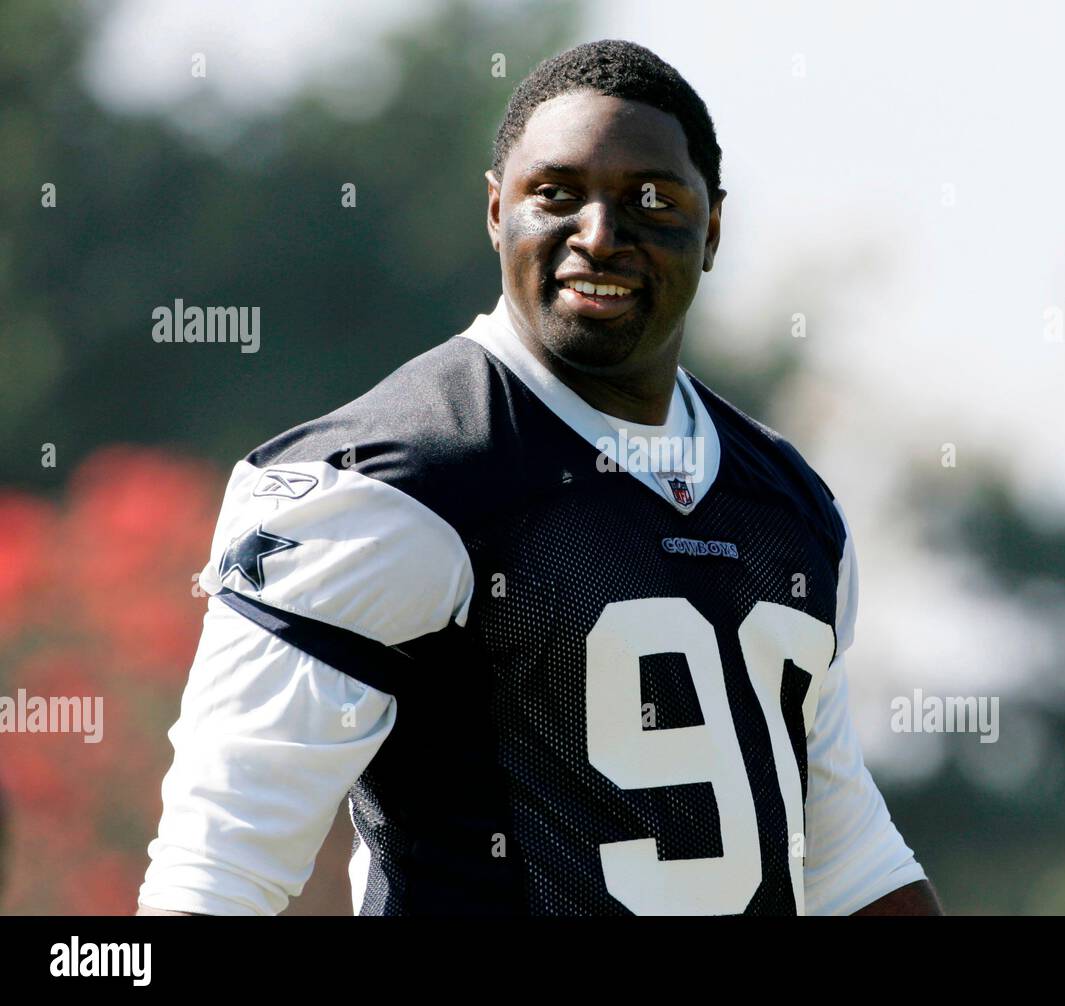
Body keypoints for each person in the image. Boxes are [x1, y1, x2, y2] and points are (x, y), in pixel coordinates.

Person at [137, 38, 942, 917]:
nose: (599, 237)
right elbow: (216, 872)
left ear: (711, 228)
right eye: (556, 195)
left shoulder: (790, 509)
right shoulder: (387, 484)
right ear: (495, 211)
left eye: (650, 200)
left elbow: (849, 865)